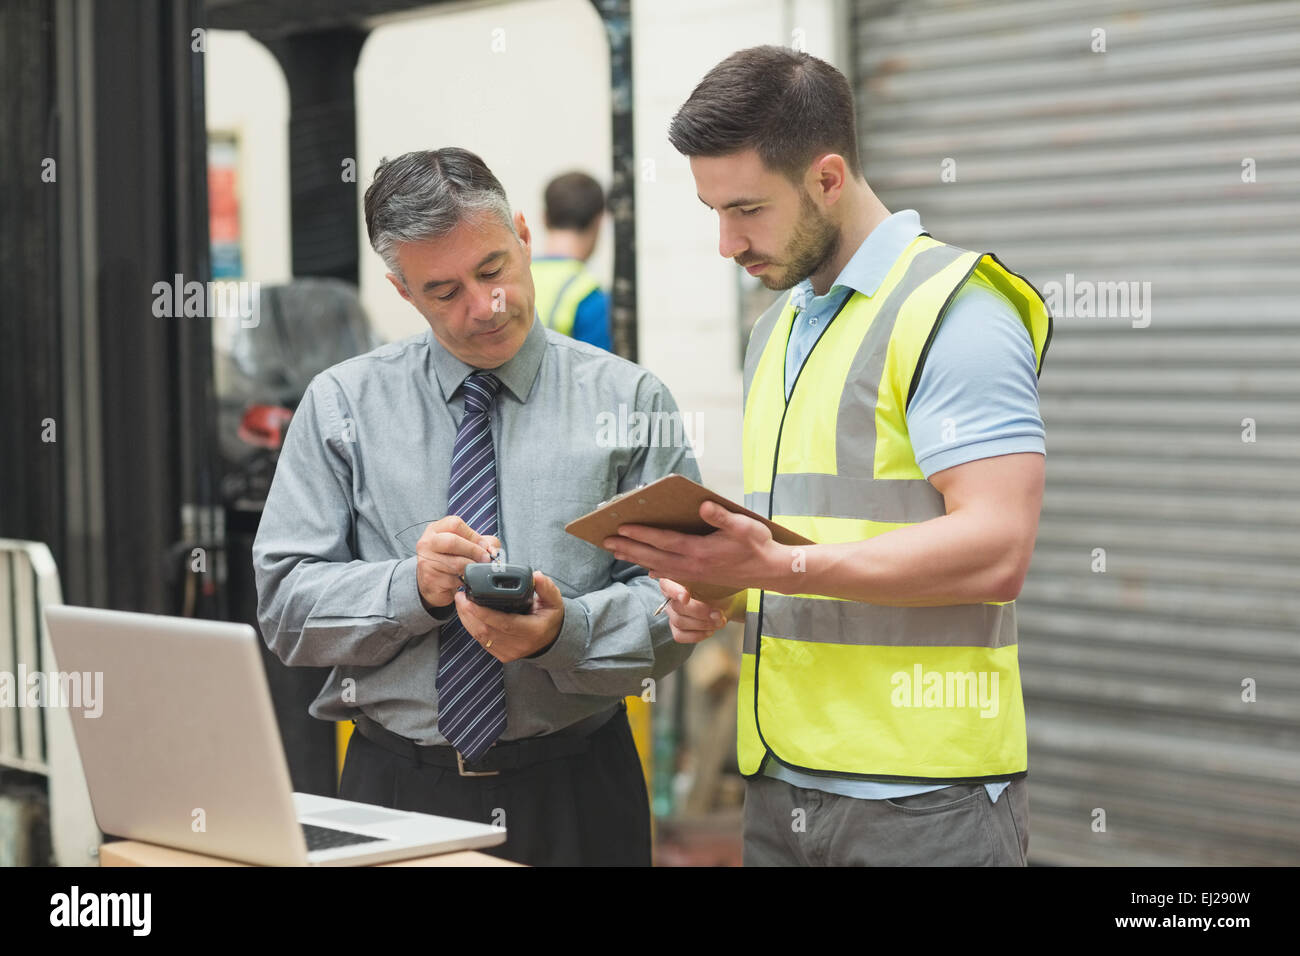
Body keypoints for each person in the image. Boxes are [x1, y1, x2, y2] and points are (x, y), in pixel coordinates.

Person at [603, 45, 1052, 866]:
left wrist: (774, 570)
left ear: (829, 178)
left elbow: (997, 550)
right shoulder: (778, 327)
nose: (725, 243)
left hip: (924, 800)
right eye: (713, 212)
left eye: (746, 209)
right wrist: (723, 588)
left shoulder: (957, 311)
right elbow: (808, 540)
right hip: (781, 785)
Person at [252, 147, 700, 866]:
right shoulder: (342, 407)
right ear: (403, 292)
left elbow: (684, 598)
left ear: (523, 236)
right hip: (395, 794)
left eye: (492, 270)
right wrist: (412, 588)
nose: (482, 307)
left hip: (579, 789)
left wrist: (568, 630)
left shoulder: (629, 402)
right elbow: (284, 610)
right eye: (444, 290)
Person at [531, 171, 611, 350]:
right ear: (598, 221)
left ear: (544, 217)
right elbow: (598, 373)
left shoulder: (511, 277)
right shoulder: (591, 297)